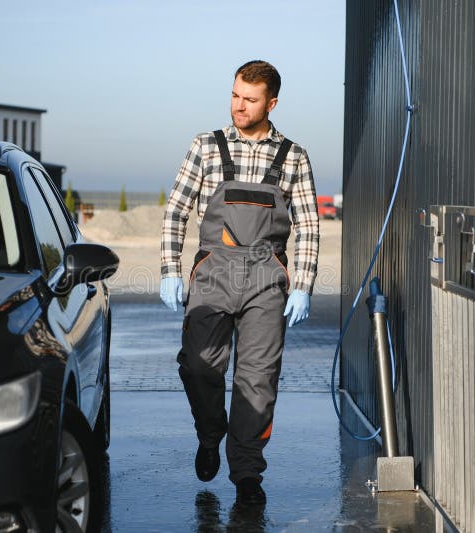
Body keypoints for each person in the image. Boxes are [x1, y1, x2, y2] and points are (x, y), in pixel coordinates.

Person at [160, 60, 319, 505]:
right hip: (213, 273)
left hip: (267, 278)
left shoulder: (293, 156)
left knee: (257, 380)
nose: (239, 106)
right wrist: (170, 270)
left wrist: (303, 284)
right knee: (199, 367)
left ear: (272, 103)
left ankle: (247, 471)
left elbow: (308, 225)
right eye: (234, 95)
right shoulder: (206, 146)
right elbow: (176, 211)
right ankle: (210, 433)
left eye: (250, 99)